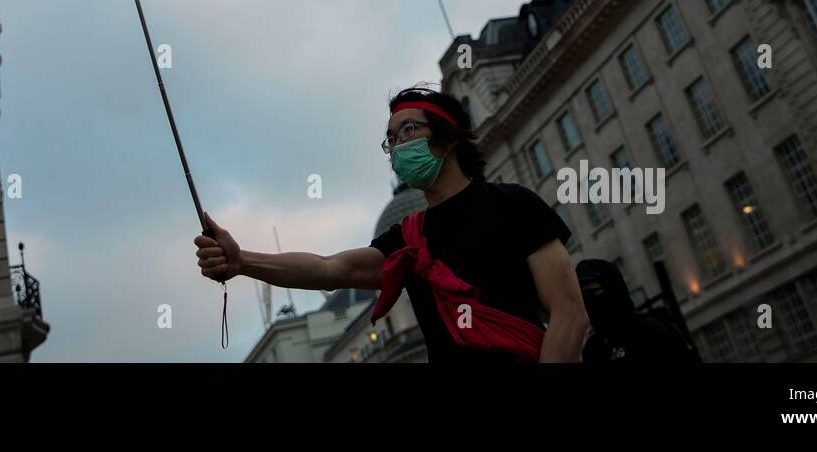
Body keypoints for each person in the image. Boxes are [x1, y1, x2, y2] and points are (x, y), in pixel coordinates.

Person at [194, 86, 588, 362]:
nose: (398, 147)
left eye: (409, 131)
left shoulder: (513, 205)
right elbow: (333, 269)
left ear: (448, 137)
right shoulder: (407, 237)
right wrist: (242, 261)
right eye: (391, 140)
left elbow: (569, 313)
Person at [575, 259, 699, 363]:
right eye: (583, 296)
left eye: (592, 293)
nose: (589, 301)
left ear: (612, 289)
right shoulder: (593, 350)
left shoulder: (652, 332)